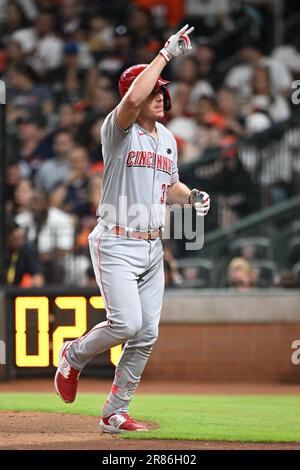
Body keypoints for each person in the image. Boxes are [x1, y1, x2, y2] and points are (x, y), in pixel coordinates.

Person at [54, 25, 210, 434]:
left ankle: (114, 412)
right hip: (117, 240)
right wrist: (164, 54)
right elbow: (134, 97)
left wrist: (191, 196)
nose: (160, 94)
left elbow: (168, 186)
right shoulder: (118, 130)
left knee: (146, 334)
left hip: (153, 248)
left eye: (164, 89)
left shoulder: (169, 139)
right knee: (125, 324)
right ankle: (72, 356)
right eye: (154, 89)